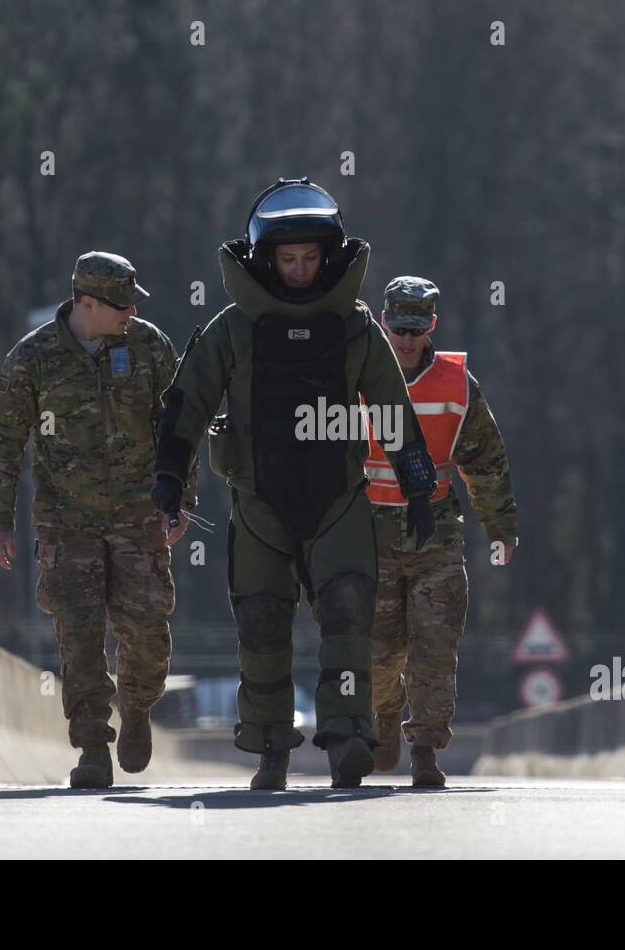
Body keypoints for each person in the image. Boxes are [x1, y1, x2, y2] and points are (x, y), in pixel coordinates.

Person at [150, 178, 437, 789]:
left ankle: (347, 738)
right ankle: (271, 749)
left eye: (310, 258)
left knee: (349, 616)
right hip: (257, 503)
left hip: (338, 498)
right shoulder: (232, 329)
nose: (301, 270)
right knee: (260, 626)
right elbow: (186, 406)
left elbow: (393, 412)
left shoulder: (357, 328)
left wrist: (419, 487)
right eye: (288, 259)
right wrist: (169, 479)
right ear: (266, 259)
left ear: (328, 256)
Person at [0, 251, 192, 789]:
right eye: (120, 305)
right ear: (86, 303)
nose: (130, 312)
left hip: (139, 517)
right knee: (78, 636)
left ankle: (138, 706)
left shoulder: (149, 347)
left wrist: (181, 496)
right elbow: (4, 441)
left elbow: (180, 428)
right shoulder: (33, 359)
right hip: (65, 523)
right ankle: (93, 745)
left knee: (146, 631)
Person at [366, 276, 518, 787]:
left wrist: (501, 527)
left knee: (434, 646)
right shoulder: (355, 374)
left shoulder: (456, 384)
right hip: (369, 541)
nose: (406, 340)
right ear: (383, 322)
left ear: (432, 325)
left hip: (436, 537)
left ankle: (426, 749)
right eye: (397, 328)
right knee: (378, 651)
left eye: (417, 328)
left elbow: (486, 460)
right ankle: (384, 714)